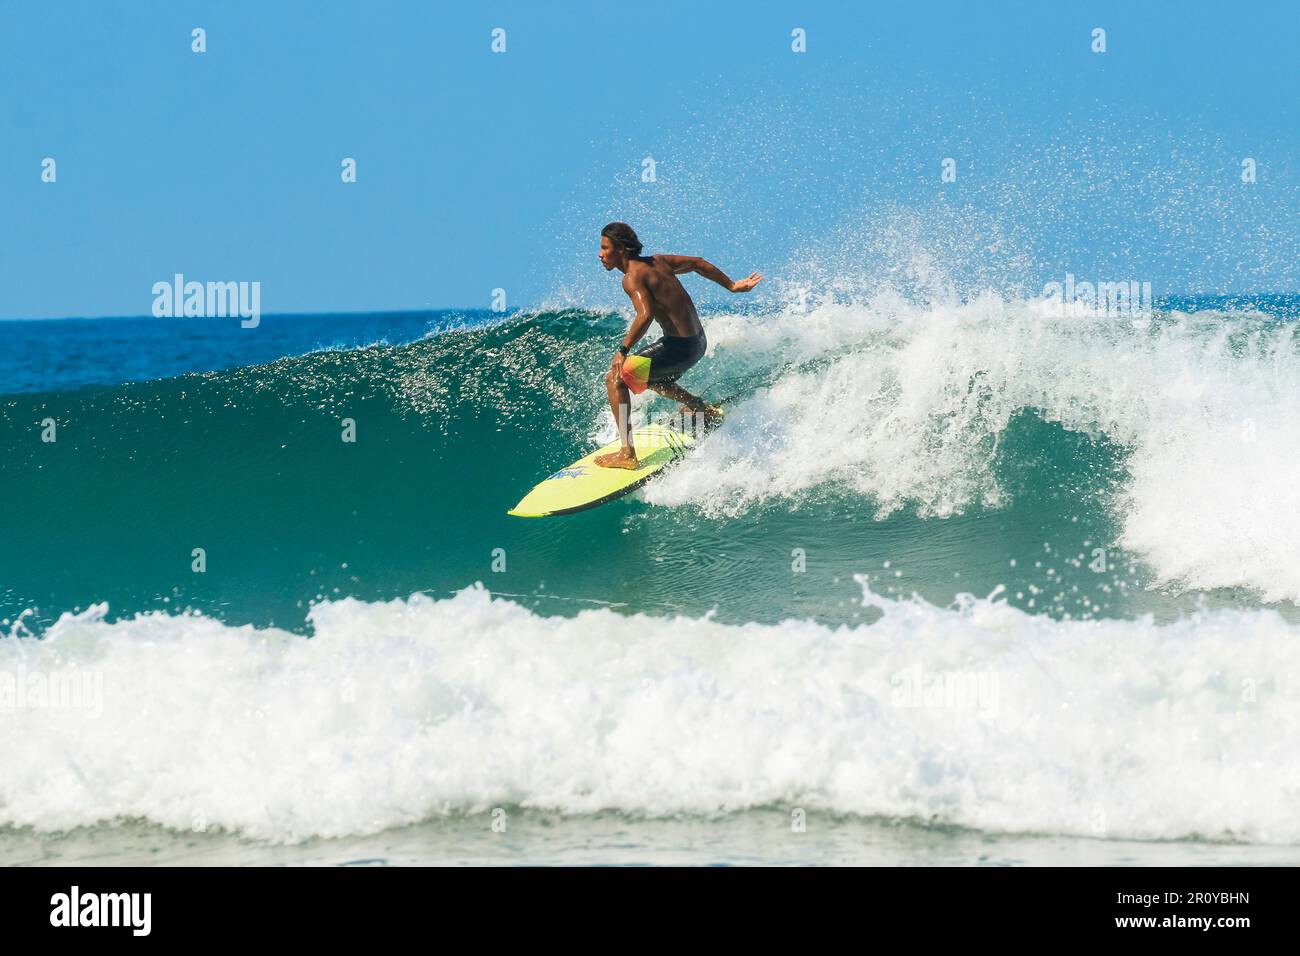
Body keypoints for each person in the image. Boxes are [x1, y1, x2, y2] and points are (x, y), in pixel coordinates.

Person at [595, 221, 762, 469]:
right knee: (643, 376)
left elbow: (645, 315)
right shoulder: (659, 261)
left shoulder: (632, 278)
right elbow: (697, 262)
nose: (600, 254)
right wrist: (732, 286)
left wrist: (622, 350)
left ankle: (627, 454)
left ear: (621, 249)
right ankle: (699, 407)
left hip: (679, 348)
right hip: (697, 343)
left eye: (605, 248)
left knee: (616, 378)